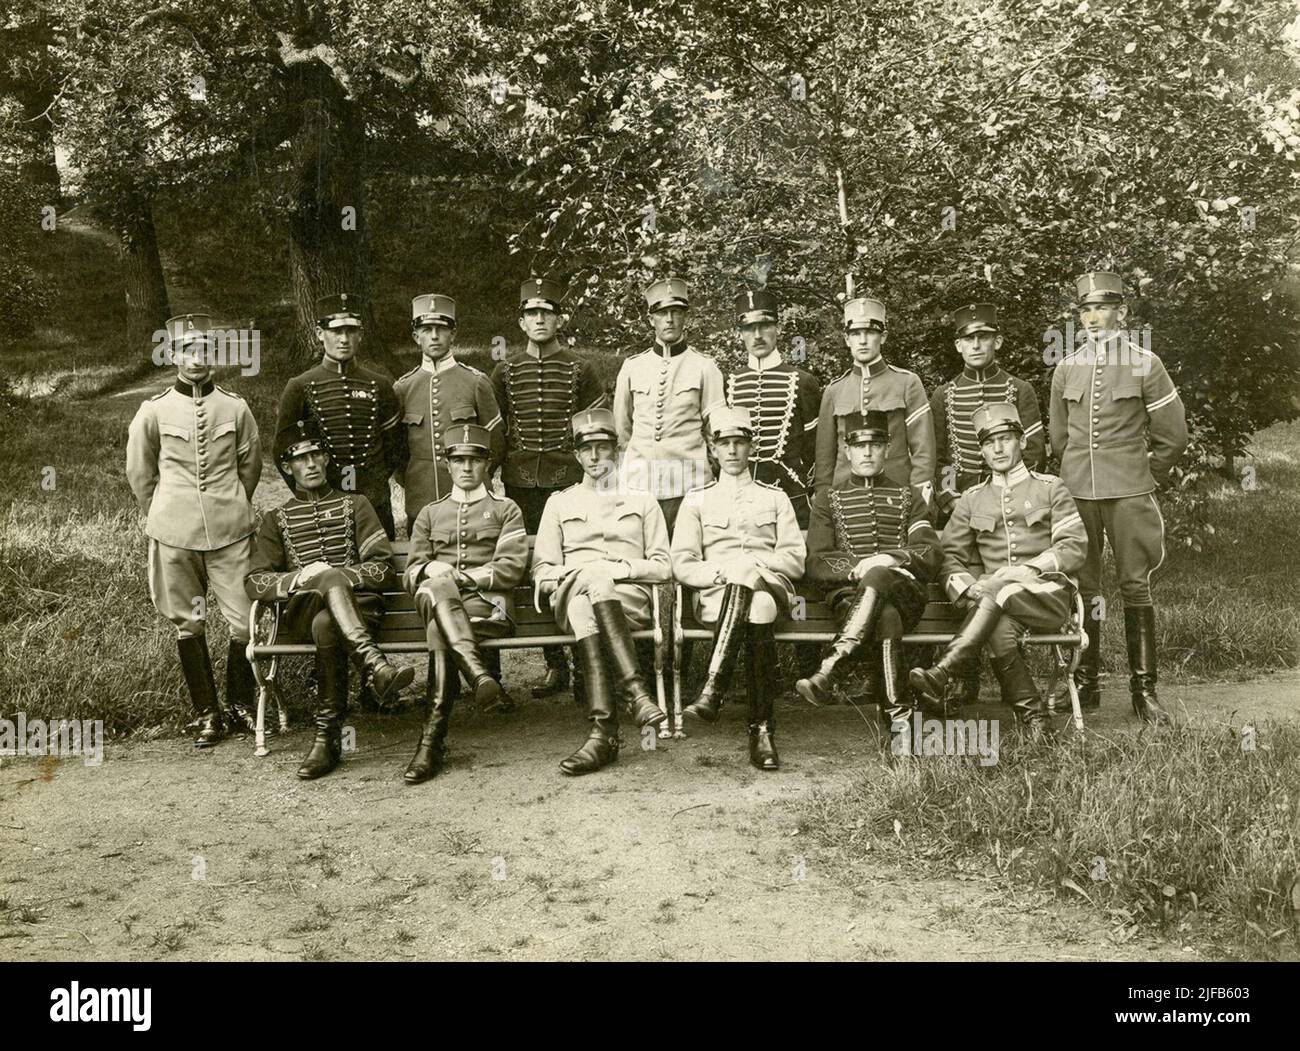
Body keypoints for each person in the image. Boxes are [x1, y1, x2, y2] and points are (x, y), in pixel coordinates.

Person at [1049, 271, 1188, 723]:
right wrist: (1070, 479)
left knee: (1134, 585)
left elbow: (1172, 436)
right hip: (1079, 492)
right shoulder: (1066, 367)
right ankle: (1085, 685)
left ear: (1122, 313)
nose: (1092, 317)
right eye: (1085, 310)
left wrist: (1146, 476)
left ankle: (1143, 691)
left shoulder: (1146, 363)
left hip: (1128, 489)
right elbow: (1058, 438)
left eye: (1102, 308)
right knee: (1083, 587)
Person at [246, 419, 415, 780]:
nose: (310, 464)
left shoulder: (356, 504)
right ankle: (375, 667)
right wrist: (301, 578)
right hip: (301, 615)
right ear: (288, 468)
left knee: (328, 621)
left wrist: (335, 577)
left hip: (360, 612)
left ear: (327, 461)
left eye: (316, 455)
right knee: (322, 599)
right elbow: (255, 581)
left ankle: (327, 739)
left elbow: (383, 568)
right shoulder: (277, 518)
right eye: (300, 459)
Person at [126, 313, 262, 748]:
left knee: (244, 622)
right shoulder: (154, 410)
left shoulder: (235, 408)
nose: (197, 358)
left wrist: (231, 506)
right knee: (189, 622)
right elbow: (141, 475)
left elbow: (250, 467)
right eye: (188, 350)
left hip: (229, 531)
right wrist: (165, 513)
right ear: (172, 355)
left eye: (205, 350)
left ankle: (240, 704)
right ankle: (208, 713)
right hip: (174, 532)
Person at [909, 404, 1088, 731]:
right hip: (997, 602)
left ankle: (943, 671)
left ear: (1020, 442)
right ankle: (1036, 721)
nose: (999, 448)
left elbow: (1073, 546)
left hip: (1047, 596)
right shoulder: (971, 499)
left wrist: (1030, 570)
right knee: (1000, 634)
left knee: (1001, 586)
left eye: (1006, 439)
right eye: (990, 443)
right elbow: (948, 555)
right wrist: (969, 587)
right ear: (982, 451)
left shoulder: (1050, 488)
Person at [532, 409, 671, 775]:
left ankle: (603, 734)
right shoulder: (559, 503)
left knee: (586, 604)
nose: (595, 457)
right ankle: (636, 693)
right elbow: (543, 571)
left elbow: (663, 565)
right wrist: (589, 573)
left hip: (628, 602)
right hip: (571, 590)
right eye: (587, 449)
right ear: (576, 455)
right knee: (590, 584)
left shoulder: (643, 501)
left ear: (617, 451)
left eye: (603, 447)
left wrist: (622, 569)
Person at [671, 407, 806, 770]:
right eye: (723, 443)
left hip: (771, 586)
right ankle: (761, 728)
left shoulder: (774, 497)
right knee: (756, 605)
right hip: (718, 595)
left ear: (752, 447)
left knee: (757, 588)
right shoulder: (696, 500)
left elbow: (795, 560)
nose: (731, 450)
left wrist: (754, 567)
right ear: (711, 450)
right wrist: (725, 572)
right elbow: (682, 563)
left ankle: (714, 688)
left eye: (739, 442)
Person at [491, 277, 606, 700]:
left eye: (547, 312)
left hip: (569, 482)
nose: (540, 320)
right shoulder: (505, 370)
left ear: (559, 318)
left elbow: (595, 432)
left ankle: (581, 665)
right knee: (535, 572)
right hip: (520, 484)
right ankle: (553, 664)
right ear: (521, 322)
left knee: (574, 566)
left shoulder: (581, 369)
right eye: (531, 314)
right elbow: (497, 431)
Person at [928, 301, 1046, 704]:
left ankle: (983, 668)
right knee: (961, 577)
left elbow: (1034, 453)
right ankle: (965, 675)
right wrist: (949, 500)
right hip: (960, 507)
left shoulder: (1020, 389)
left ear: (997, 340)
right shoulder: (944, 394)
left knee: (1001, 578)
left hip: (1009, 509)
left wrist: (1006, 500)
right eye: (968, 339)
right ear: (958, 346)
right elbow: (937, 457)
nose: (976, 345)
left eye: (983, 337)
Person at [795, 411, 941, 731]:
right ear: (847, 451)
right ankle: (900, 724)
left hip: (907, 595)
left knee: (881, 581)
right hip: (850, 599)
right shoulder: (828, 499)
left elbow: (929, 552)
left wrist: (889, 559)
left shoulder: (909, 496)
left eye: (875, 445)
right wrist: (859, 569)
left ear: (887, 449)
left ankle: (831, 667)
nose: (867, 452)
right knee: (885, 615)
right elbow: (817, 560)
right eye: (859, 446)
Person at [402, 424, 528, 784]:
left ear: (487, 463)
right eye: (459, 460)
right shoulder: (429, 513)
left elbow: (511, 567)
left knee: (436, 622)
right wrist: (429, 567)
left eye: (475, 459)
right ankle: (478, 674)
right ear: (447, 464)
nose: (467, 467)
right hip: (443, 605)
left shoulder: (506, 509)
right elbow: (411, 573)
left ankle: (431, 743)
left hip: (488, 606)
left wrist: (461, 578)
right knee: (437, 590)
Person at [276, 293, 406, 539]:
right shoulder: (300, 386)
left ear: (361, 333)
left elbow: (395, 445)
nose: (344, 339)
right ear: (318, 333)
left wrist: (375, 483)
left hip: (373, 500)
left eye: (351, 331)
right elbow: (282, 449)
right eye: (336, 331)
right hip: (322, 500)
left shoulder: (379, 384)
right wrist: (308, 491)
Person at [612, 276, 726, 532]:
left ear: (685, 317)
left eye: (676, 312)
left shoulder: (704, 367)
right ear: (651, 318)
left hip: (690, 485)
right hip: (640, 484)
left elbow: (716, 431)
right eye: (663, 313)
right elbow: (622, 429)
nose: (670, 319)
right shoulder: (632, 367)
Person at [394, 293, 504, 531]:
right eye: (427, 329)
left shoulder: (476, 382)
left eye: (441, 329)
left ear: (453, 334)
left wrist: (473, 475)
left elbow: (496, 442)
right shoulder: (403, 387)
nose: (434, 336)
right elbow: (397, 450)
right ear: (416, 336)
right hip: (421, 498)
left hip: (472, 498)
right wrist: (413, 479)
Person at [814, 296, 935, 500]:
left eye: (870, 332)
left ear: (883, 336)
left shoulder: (907, 383)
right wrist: (825, 499)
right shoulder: (834, 390)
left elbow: (923, 450)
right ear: (846, 339)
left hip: (897, 495)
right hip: (846, 498)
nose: (862, 340)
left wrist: (917, 497)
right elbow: (825, 459)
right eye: (855, 333)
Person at [724, 289, 821, 528]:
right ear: (741, 334)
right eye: (749, 328)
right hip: (741, 493)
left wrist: (807, 489)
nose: (757, 335)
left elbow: (814, 446)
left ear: (777, 328)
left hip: (791, 493)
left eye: (765, 326)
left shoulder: (802, 381)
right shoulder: (729, 382)